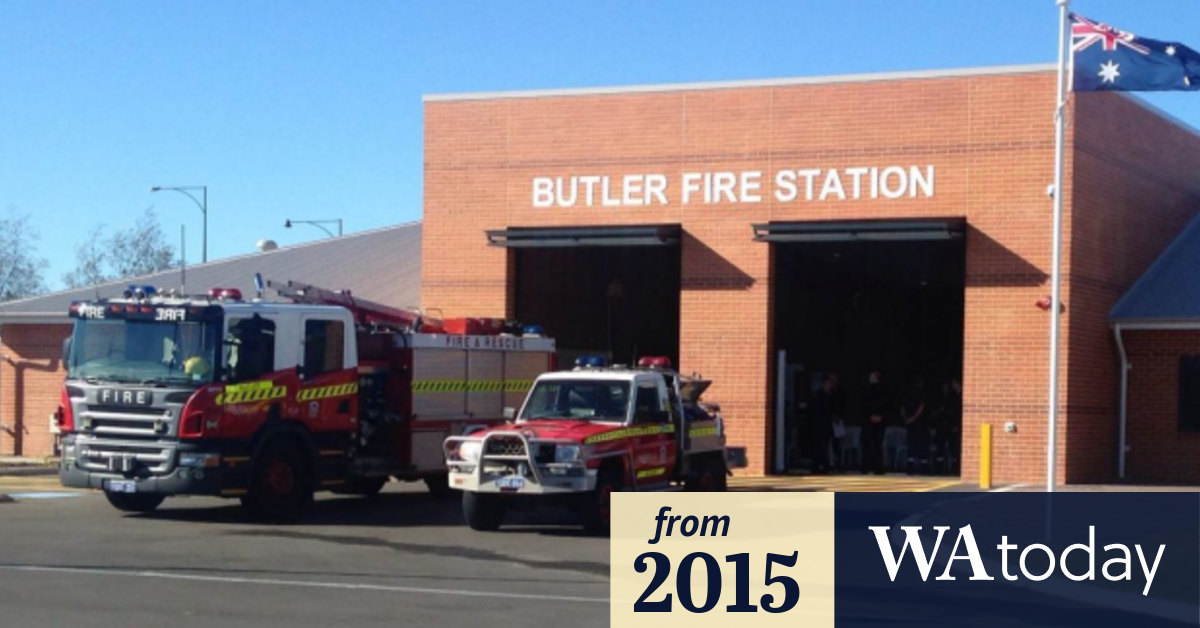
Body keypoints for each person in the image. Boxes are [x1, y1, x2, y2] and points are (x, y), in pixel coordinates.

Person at [808, 372, 843, 473]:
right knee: (819, 446)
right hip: (818, 425)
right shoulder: (818, 395)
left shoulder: (832, 395)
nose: (831, 385)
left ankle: (823, 465)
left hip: (827, 425)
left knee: (825, 446)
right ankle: (818, 466)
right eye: (829, 383)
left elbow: (835, 408)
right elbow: (815, 410)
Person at [862, 371, 888, 474]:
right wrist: (870, 416)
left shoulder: (882, 390)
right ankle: (869, 466)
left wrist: (880, 416)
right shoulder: (867, 389)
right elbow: (864, 405)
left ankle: (876, 467)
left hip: (878, 420)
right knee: (869, 444)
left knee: (876, 444)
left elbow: (885, 404)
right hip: (870, 420)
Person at [900, 377, 928, 474]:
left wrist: (906, 418)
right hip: (918, 422)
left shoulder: (906, 393)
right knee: (919, 444)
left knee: (912, 444)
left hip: (911, 422)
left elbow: (902, 407)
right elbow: (921, 406)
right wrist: (914, 417)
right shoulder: (921, 393)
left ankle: (911, 466)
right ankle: (922, 467)